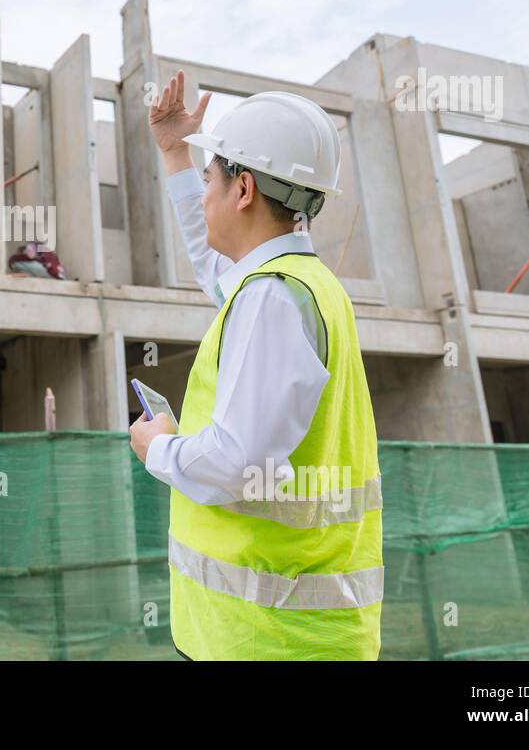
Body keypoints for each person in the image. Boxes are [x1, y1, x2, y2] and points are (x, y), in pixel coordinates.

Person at [128, 70, 383, 660]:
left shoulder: (271, 297)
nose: (206, 196)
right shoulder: (298, 285)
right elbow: (211, 256)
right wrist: (176, 153)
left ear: (243, 191)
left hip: (270, 641)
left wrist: (158, 447)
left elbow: (238, 463)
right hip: (279, 636)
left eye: (211, 180)